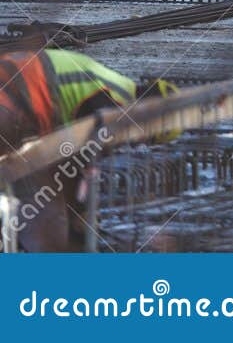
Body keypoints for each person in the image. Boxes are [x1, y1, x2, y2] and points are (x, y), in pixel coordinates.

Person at [0, 48, 174, 251]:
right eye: (149, 137)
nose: (139, 143)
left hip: (17, 94)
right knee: (45, 215)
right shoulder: (115, 104)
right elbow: (75, 160)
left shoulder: (116, 88)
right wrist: (79, 211)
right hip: (16, 100)